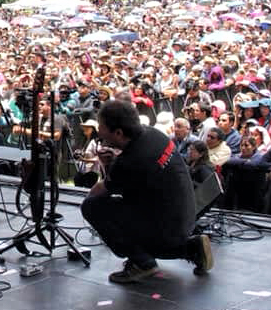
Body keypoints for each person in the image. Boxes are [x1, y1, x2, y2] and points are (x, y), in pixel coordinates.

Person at [80, 100, 213, 284]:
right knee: (138, 214)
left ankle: (142, 264)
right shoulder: (154, 135)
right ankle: (191, 248)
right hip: (185, 216)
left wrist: (107, 168)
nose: (99, 132)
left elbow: (99, 192)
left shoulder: (128, 162)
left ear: (118, 132)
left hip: (166, 226)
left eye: (102, 127)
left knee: (92, 207)